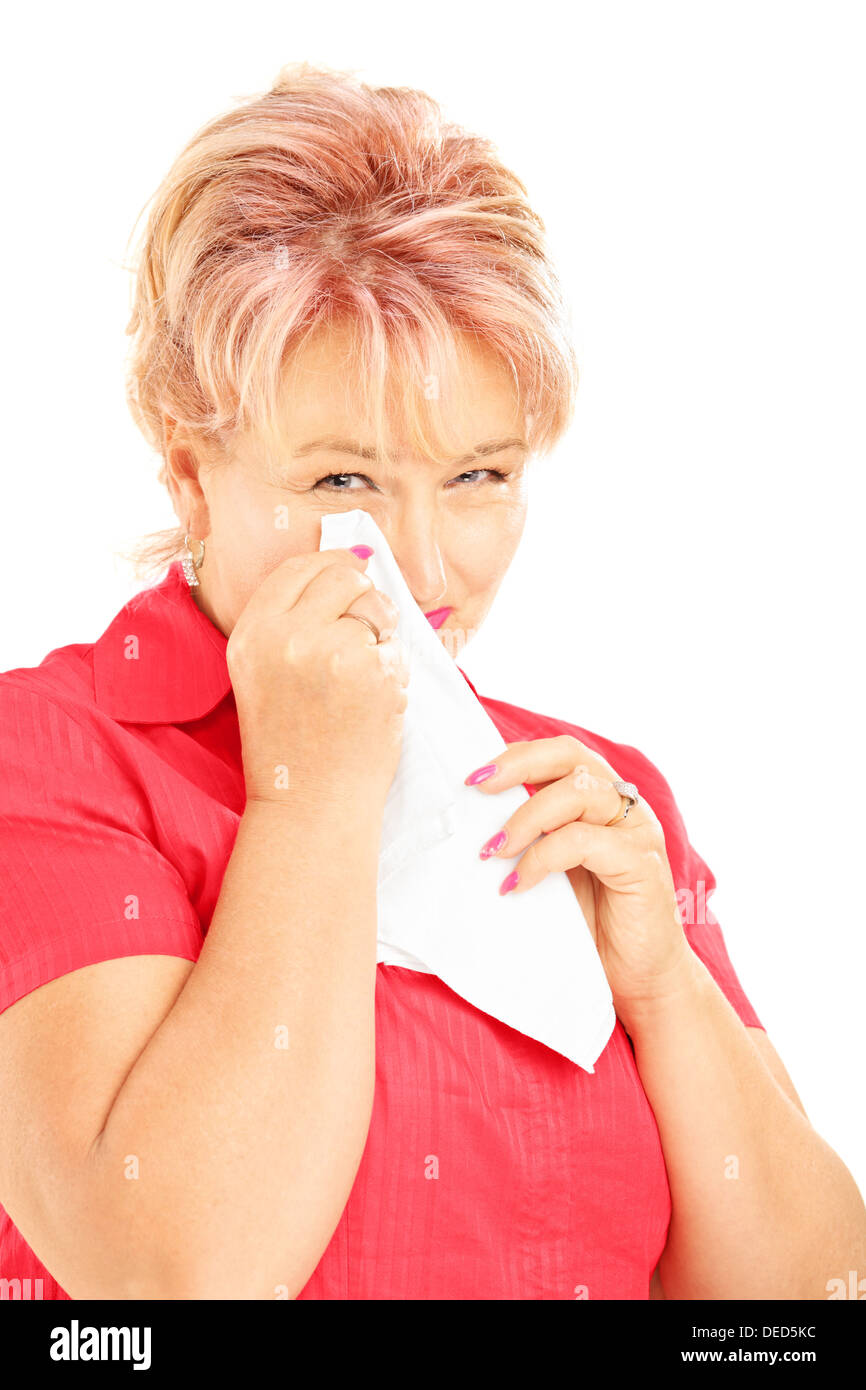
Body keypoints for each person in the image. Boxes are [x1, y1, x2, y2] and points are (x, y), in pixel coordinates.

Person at [0, 62, 863, 1301]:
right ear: (192, 476)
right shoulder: (51, 755)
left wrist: (661, 986)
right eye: (342, 482)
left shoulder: (589, 799)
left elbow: (808, 1306)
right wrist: (308, 799)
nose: (421, 567)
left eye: (477, 477)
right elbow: (175, 1281)